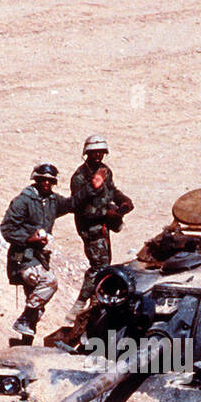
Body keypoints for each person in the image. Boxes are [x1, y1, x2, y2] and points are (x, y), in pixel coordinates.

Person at [0, 163, 74, 337]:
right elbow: (7, 229)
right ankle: (24, 320)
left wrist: (92, 188)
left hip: (39, 257)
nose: (47, 184)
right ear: (36, 179)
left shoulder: (52, 201)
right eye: (43, 180)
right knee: (49, 282)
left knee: (36, 305)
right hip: (20, 256)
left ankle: (24, 343)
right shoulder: (23, 201)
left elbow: (72, 203)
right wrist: (28, 238)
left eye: (51, 181)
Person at [67, 135, 133, 319]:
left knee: (105, 262)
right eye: (94, 152)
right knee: (99, 265)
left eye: (100, 152)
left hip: (103, 225)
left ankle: (96, 303)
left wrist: (124, 201)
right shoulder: (79, 178)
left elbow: (111, 191)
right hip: (89, 227)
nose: (98, 155)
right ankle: (78, 306)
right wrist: (106, 213)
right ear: (87, 153)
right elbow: (80, 209)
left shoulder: (105, 171)